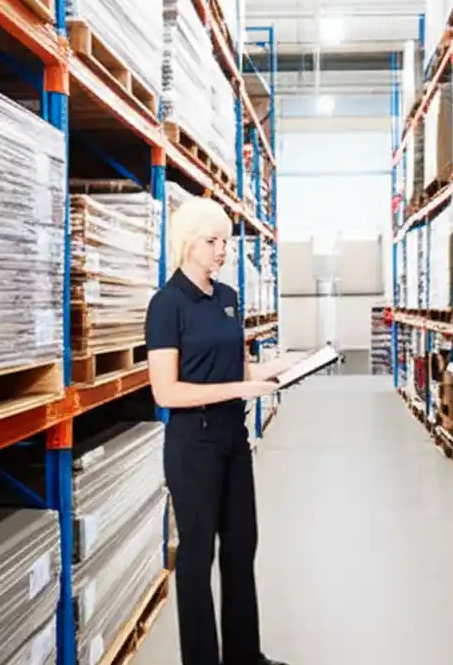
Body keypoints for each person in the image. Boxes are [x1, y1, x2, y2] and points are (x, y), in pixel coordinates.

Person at [146, 197, 296, 665]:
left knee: (240, 547)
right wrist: (238, 387)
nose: (222, 251)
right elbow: (166, 392)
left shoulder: (228, 298)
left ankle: (244, 656)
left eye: (226, 241)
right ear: (189, 243)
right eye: (212, 241)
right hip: (194, 444)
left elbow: (239, 366)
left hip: (233, 440)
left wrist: (278, 368)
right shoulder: (167, 305)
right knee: (196, 559)